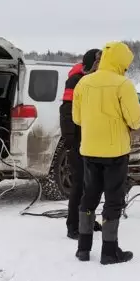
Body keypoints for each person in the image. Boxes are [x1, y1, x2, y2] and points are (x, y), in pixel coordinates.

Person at [71, 41, 140, 264]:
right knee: (113, 200)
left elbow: (77, 119)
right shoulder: (123, 85)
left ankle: (83, 249)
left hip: (89, 150)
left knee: (89, 196)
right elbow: (136, 121)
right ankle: (110, 252)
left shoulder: (83, 83)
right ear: (121, 62)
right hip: (115, 152)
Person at [58, 48, 101, 239]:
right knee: (79, 183)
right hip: (77, 140)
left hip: (91, 139)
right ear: (91, 63)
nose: (101, 66)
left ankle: (88, 219)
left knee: (92, 183)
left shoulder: (95, 81)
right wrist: (71, 139)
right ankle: (73, 225)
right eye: (98, 62)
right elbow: (66, 112)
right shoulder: (75, 81)